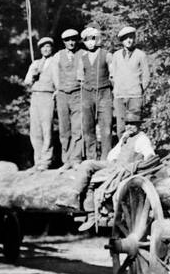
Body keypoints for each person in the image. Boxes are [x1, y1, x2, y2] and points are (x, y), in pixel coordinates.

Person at [77, 27, 113, 161]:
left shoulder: (107, 55)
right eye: (87, 40)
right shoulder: (83, 58)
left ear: (97, 39)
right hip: (87, 94)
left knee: (106, 127)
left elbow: (113, 75)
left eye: (93, 39)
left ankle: (106, 158)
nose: (90, 42)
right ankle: (91, 157)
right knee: (87, 127)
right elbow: (80, 78)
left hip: (104, 93)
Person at [110, 26, 149, 141]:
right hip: (119, 96)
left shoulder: (141, 54)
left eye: (131, 37)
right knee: (121, 127)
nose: (129, 40)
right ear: (122, 41)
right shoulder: (116, 55)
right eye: (126, 38)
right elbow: (112, 75)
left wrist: (140, 91)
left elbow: (146, 76)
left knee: (134, 127)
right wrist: (116, 90)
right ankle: (122, 152)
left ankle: (134, 154)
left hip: (135, 96)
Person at [24, 36, 57, 169]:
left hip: (48, 96)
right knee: (35, 130)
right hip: (35, 97)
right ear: (40, 49)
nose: (46, 49)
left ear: (51, 48)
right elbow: (27, 82)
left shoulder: (55, 62)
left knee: (46, 129)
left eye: (48, 46)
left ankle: (46, 161)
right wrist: (33, 74)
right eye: (43, 47)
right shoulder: (35, 63)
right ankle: (37, 161)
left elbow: (58, 80)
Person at [53, 28, 84, 166]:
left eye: (73, 39)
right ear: (64, 42)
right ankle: (66, 160)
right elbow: (54, 75)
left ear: (77, 40)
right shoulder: (58, 56)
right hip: (63, 95)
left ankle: (76, 158)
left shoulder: (83, 54)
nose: (71, 43)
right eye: (68, 40)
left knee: (78, 128)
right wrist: (58, 88)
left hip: (78, 94)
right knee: (64, 129)